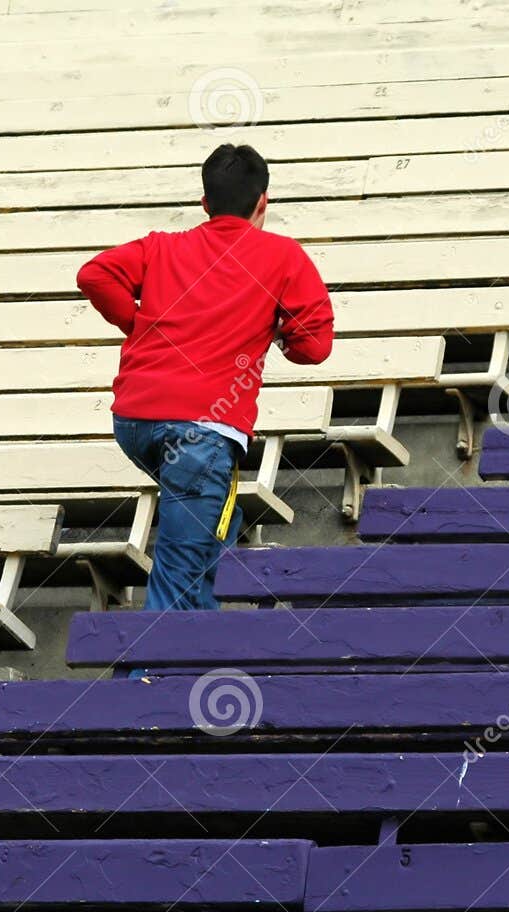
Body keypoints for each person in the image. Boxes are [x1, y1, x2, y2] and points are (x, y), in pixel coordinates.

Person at [77, 144, 334, 611]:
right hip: (203, 431)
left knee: (215, 522)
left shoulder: (163, 247)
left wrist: (134, 324)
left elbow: (94, 274)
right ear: (263, 203)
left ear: (205, 203)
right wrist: (279, 333)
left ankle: (195, 647)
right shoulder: (282, 256)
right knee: (182, 572)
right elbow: (314, 347)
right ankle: (150, 678)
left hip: (136, 421)